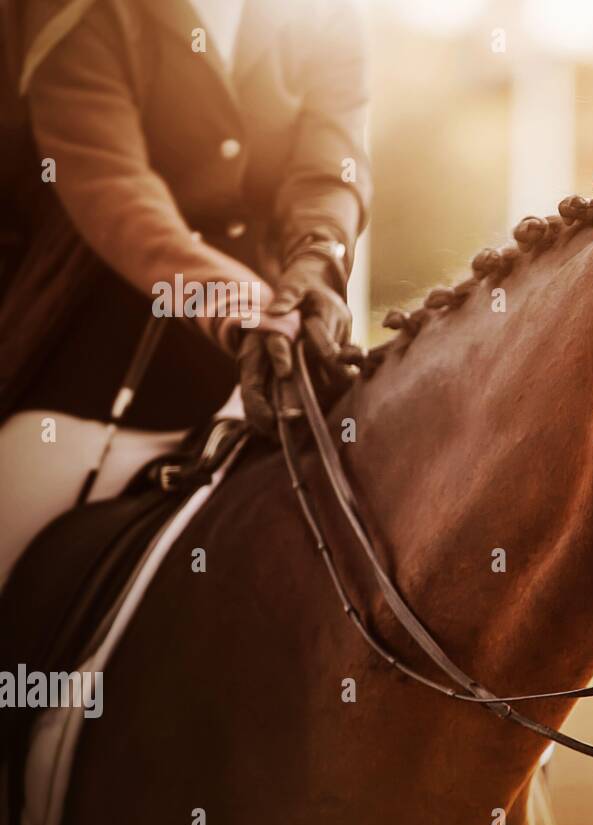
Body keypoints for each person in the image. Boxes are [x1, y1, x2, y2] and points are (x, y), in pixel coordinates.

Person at [0, 0, 372, 584]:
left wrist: (317, 263)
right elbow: (111, 185)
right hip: (95, 377)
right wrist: (238, 306)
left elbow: (332, 167)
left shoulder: (325, 15)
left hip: (276, 369)